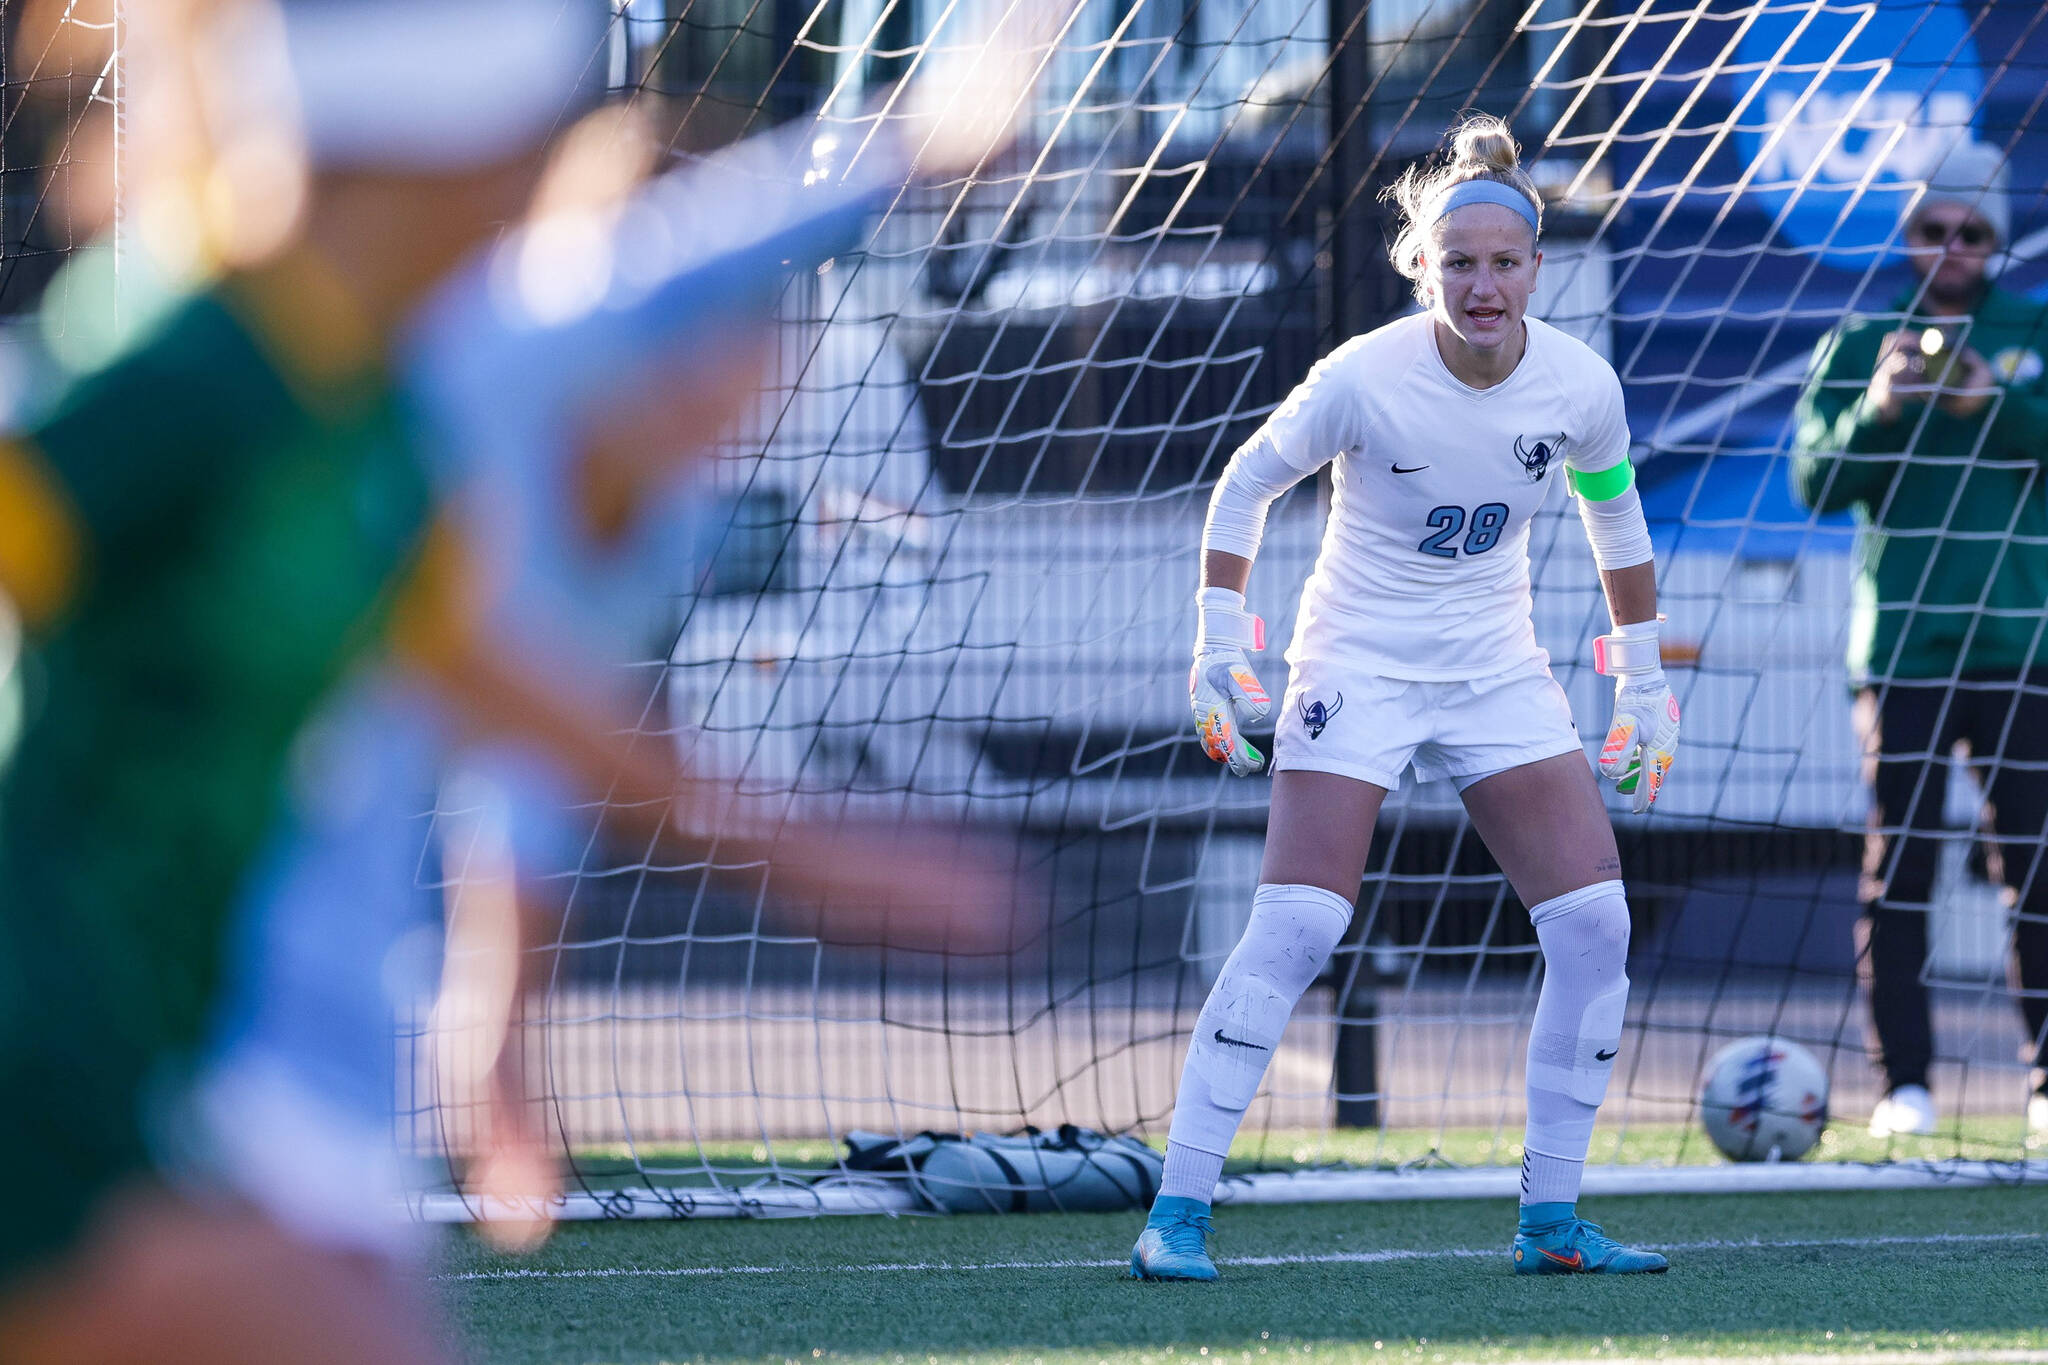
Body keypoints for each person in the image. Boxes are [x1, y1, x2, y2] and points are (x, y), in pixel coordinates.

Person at [0, 0, 1041, 1357]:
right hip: (66, 1074)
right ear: (449, 154)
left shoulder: (375, 443)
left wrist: (787, 851)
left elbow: (515, 709)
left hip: (136, 1086)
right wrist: (909, 148)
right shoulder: (201, 373)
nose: (557, 192)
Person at [1124, 114, 1680, 1282]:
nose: (1482, 284)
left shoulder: (1579, 384)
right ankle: (1175, 1212)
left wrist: (1644, 684)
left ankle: (1550, 1223)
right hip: (1358, 663)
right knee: (1299, 924)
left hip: (1494, 670)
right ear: (1419, 266)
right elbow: (1244, 487)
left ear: (1536, 268)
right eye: (1458, 262)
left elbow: (1613, 516)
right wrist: (1217, 646)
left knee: (1594, 930)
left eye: (1503, 262)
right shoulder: (1361, 377)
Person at [1789, 137, 2048, 1142]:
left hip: (2022, 644)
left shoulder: (2031, 329)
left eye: (1969, 232)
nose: (1950, 248)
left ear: (1994, 239)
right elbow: (1813, 483)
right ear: (1909, 234)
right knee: (1897, 869)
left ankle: (2042, 1085)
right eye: (1933, 229)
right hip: (1898, 650)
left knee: (2035, 868)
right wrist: (1879, 409)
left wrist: (1999, 403)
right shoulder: (1859, 344)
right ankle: (1901, 1085)